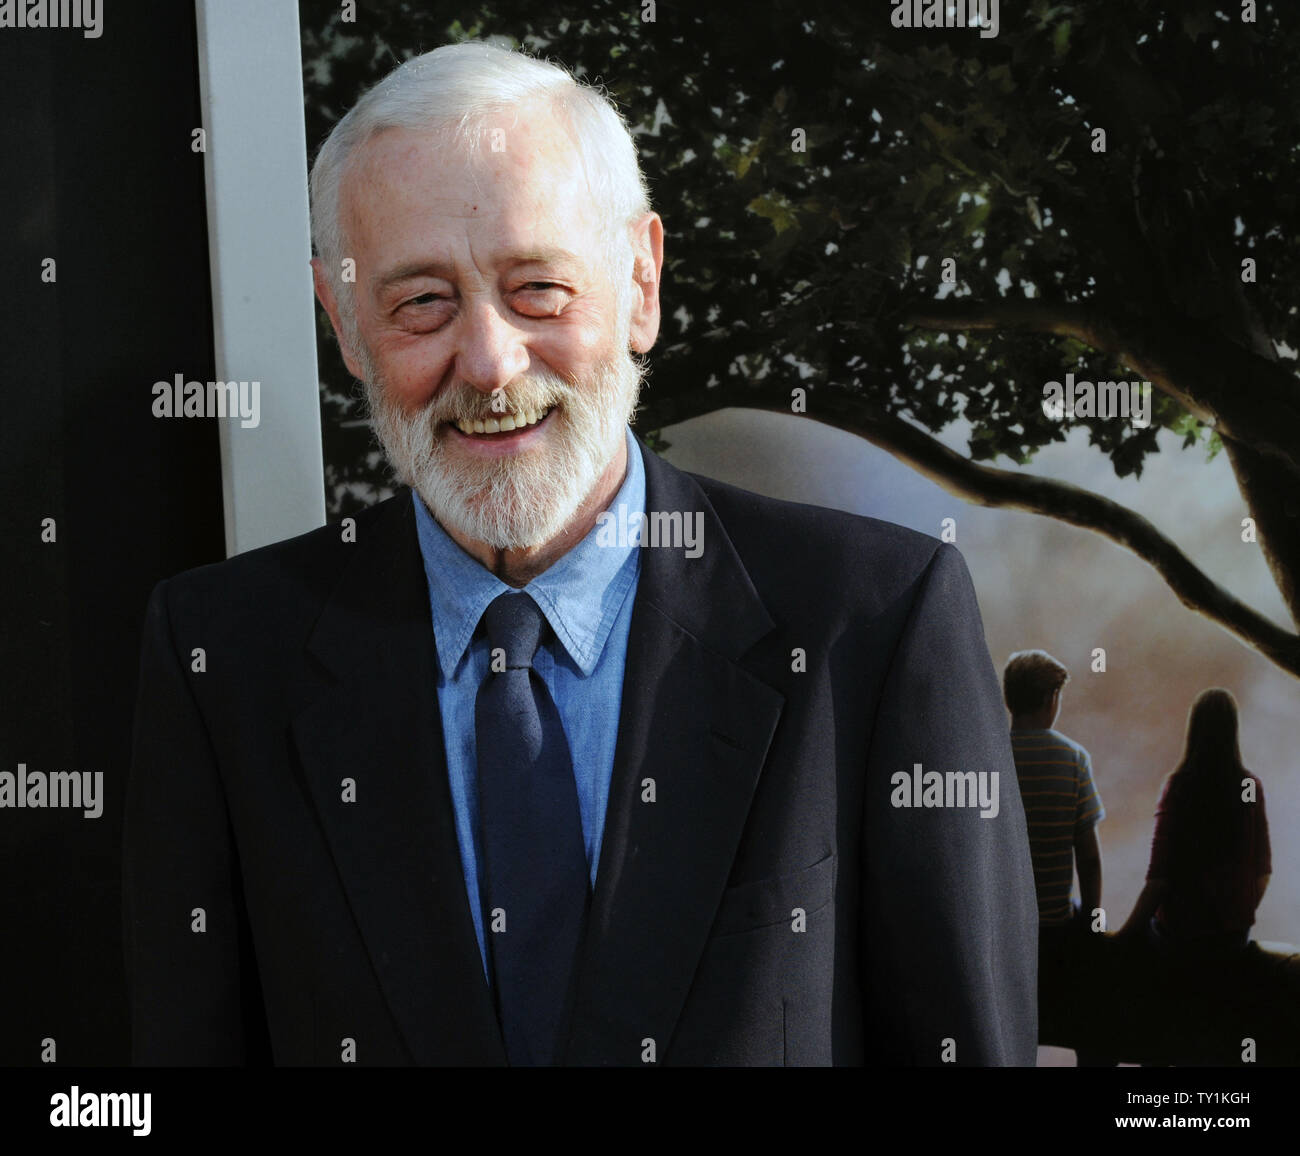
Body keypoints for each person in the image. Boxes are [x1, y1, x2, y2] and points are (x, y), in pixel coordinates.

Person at [122, 41, 1037, 1066]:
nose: (489, 361)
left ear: (640, 283)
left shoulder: (868, 624)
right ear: (343, 323)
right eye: (420, 300)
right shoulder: (223, 656)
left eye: (537, 289)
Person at [1002, 649, 1107, 1063]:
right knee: (1092, 1021)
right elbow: (1089, 856)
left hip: (1004, 929)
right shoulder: (1073, 759)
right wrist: (1092, 917)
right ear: (1050, 699)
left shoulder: (988, 759)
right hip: (1055, 929)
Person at [1119, 688, 1271, 957]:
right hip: (1233, 937)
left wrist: (1121, 939)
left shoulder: (1179, 787)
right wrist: (1234, 919)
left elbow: (1159, 881)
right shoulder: (1249, 786)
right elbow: (1262, 873)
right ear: (1233, 731)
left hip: (1181, 935)